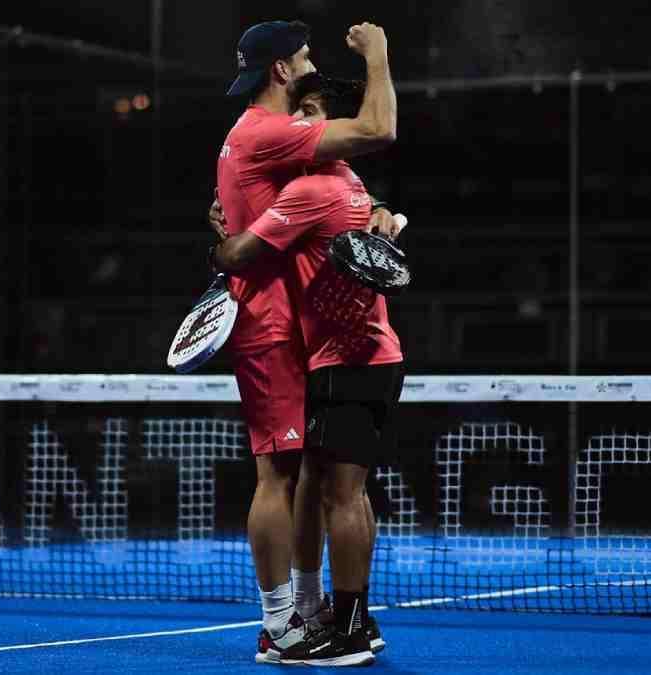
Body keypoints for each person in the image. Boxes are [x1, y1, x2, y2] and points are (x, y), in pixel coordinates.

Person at [213, 19, 397, 663]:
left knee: (314, 475)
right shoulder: (267, 130)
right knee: (278, 475)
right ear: (283, 72)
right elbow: (377, 130)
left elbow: (329, 195)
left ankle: (311, 607)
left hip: (305, 329)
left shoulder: (270, 146)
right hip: (268, 326)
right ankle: (279, 623)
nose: (313, 62)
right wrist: (376, 54)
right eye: (305, 56)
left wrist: (378, 213)